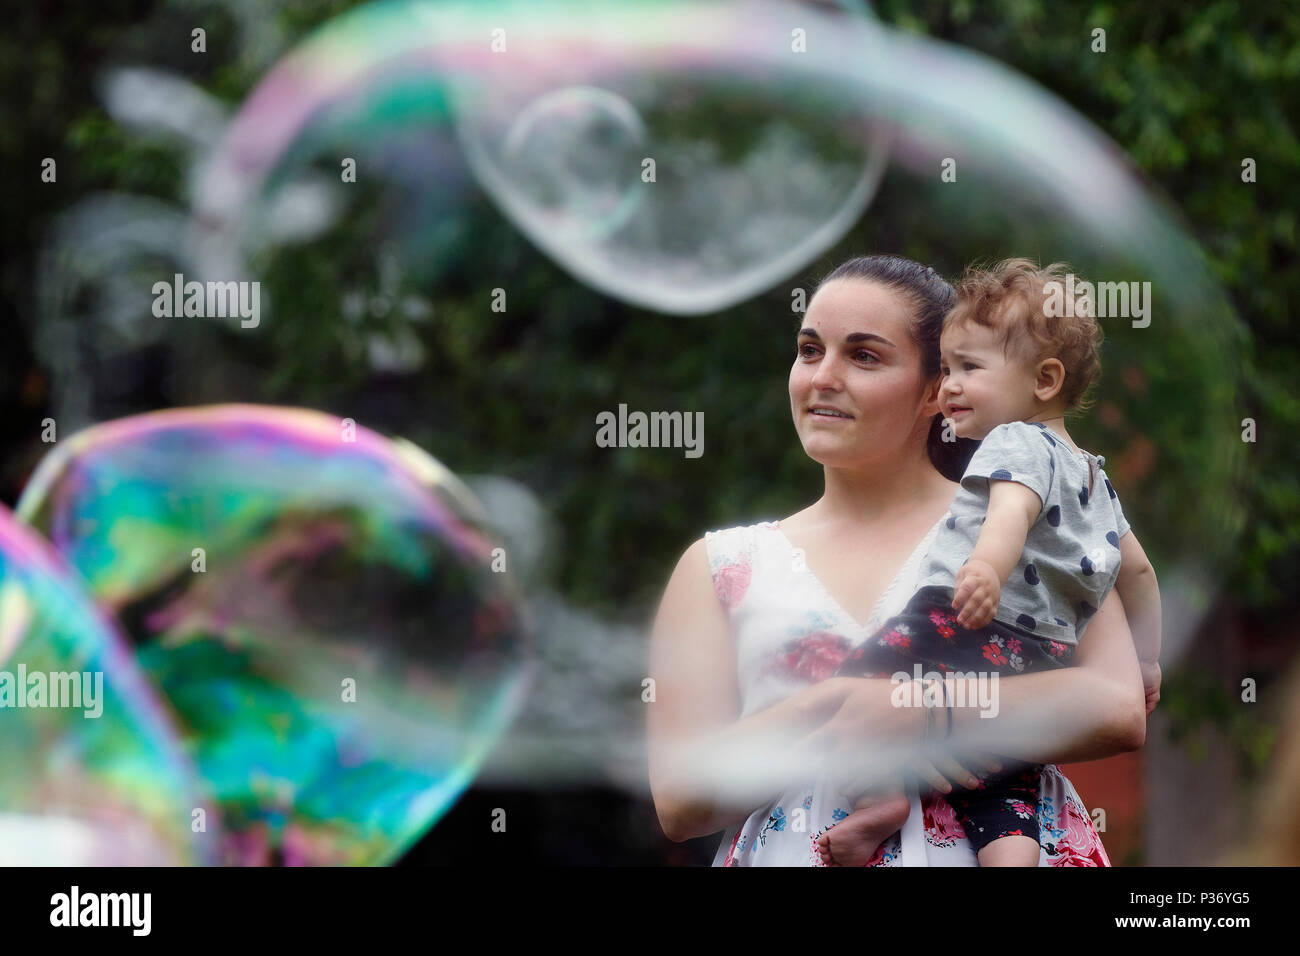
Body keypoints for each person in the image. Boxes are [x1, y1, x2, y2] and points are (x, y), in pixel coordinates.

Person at [647, 254, 1152, 866]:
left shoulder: (1016, 522)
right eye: (810, 350)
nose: (823, 377)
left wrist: (931, 712)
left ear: (936, 389)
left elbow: (1118, 707)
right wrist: (837, 706)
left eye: (864, 356)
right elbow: (679, 800)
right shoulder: (720, 566)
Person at [817, 259, 1162, 867]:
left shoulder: (1014, 441)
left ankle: (882, 800)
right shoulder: (1095, 479)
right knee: (1005, 776)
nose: (949, 385)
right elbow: (1137, 574)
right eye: (947, 368)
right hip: (1039, 660)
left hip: (968, 628)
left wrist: (985, 570)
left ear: (1045, 380)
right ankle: (1012, 855)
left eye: (969, 368)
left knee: (857, 682)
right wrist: (1149, 660)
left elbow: (1009, 513)